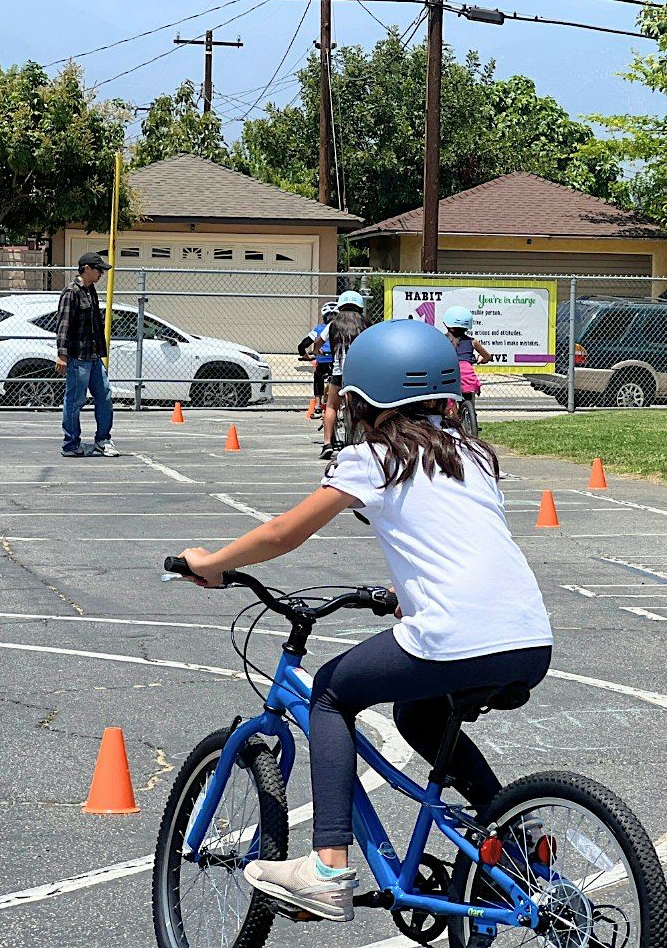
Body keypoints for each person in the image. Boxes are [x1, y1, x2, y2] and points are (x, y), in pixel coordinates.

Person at [177, 320, 553, 923]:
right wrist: (409, 600)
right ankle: (512, 834)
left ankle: (327, 868)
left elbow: (283, 533)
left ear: (364, 399)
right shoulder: (476, 456)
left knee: (329, 693)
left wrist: (215, 563)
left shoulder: (370, 457)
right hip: (529, 639)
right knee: (417, 713)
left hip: (454, 635)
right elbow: (456, 545)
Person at [55, 252, 118, 458]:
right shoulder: (71, 292)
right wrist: (62, 355)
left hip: (93, 357)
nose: (102, 273)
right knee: (75, 401)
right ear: (87, 268)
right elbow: (63, 325)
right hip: (77, 357)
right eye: (99, 269)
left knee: (105, 396)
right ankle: (71, 444)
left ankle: (103, 440)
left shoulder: (91, 292)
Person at [315, 289, 367, 459]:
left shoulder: (333, 324)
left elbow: (318, 342)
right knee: (363, 407)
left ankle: (327, 444)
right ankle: (365, 443)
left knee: (331, 406)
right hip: (360, 373)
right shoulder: (366, 325)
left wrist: (317, 352)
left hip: (339, 374)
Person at [298, 301, 338, 419]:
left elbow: (302, 345)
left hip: (324, 360)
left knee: (318, 376)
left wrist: (306, 356)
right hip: (337, 361)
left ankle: (318, 406)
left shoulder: (319, 328)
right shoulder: (341, 327)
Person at [443, 305, 492, 401]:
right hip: (468, 378)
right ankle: (470, 412)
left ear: (446, 324)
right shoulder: (473, 341)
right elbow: (488, 357)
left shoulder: (441, 340)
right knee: (468, 395)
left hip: (448, 376)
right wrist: (481, 359)